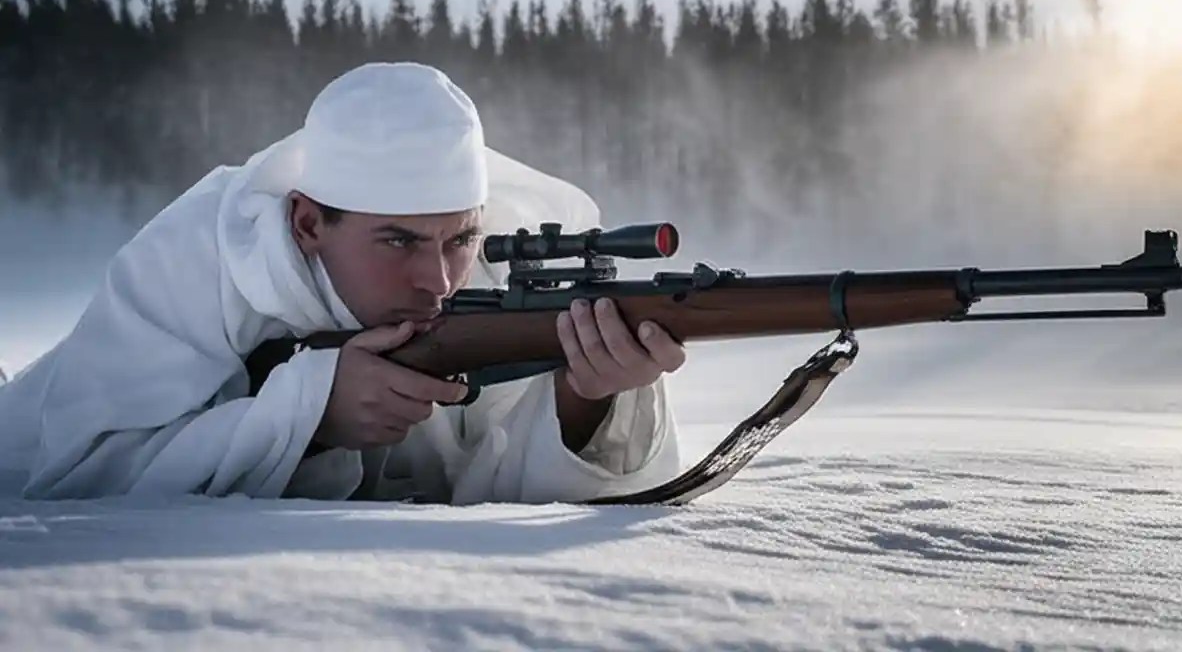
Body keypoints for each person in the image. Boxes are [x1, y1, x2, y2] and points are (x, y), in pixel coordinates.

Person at [0, 62, 685, 503]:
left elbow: (489, 492)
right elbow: (78, 476)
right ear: (306, 223)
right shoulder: (192, 260)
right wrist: (312, 415)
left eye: (460, 238)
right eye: (398, 241)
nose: (439, 279)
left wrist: (583, 402)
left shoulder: (492, 277)